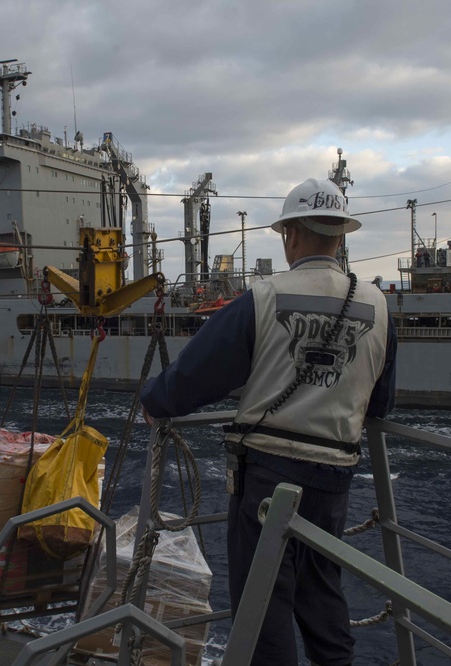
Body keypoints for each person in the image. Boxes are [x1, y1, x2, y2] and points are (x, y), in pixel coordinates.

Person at [141, 178, 396, 666]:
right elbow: (381, 404)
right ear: (341, 236)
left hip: (267, 479)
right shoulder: (379, 305)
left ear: (291, 235)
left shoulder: (264, 297)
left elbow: (199, 373)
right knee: (323, 599)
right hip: (334, 483)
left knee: (263, 607)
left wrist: (157, 401)